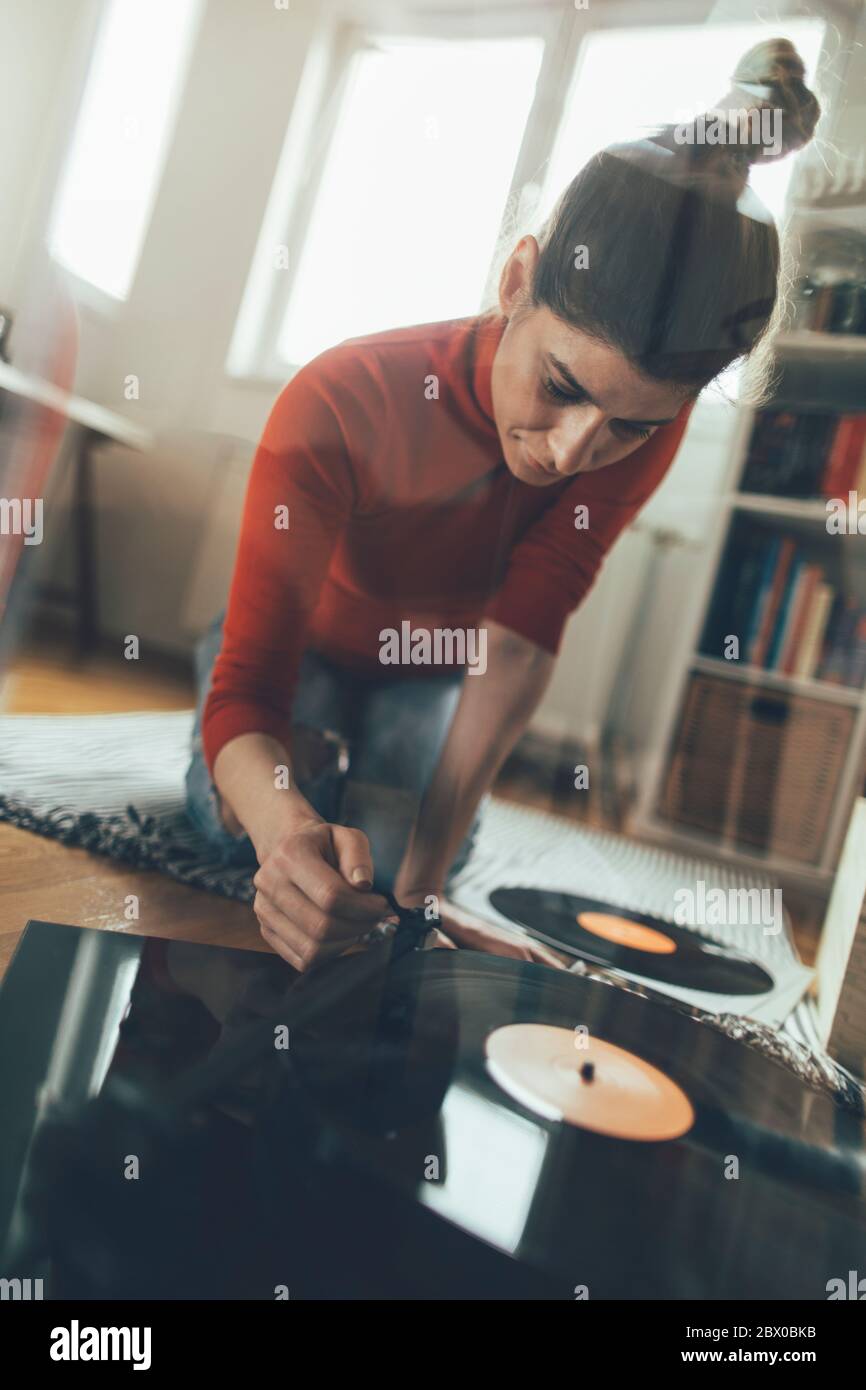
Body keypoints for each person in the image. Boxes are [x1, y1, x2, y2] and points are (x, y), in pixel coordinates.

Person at [185, 37, 819, 972]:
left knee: (391, 868)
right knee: (247, 830)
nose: (575, 452)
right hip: (306, 652)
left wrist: (423, 894)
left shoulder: (645, 421)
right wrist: (283, 829)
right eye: (560, 384)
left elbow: (523, 630)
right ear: (517, 279)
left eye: (630, 425)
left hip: (433, 673)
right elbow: (247, 691)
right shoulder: (341, 399)